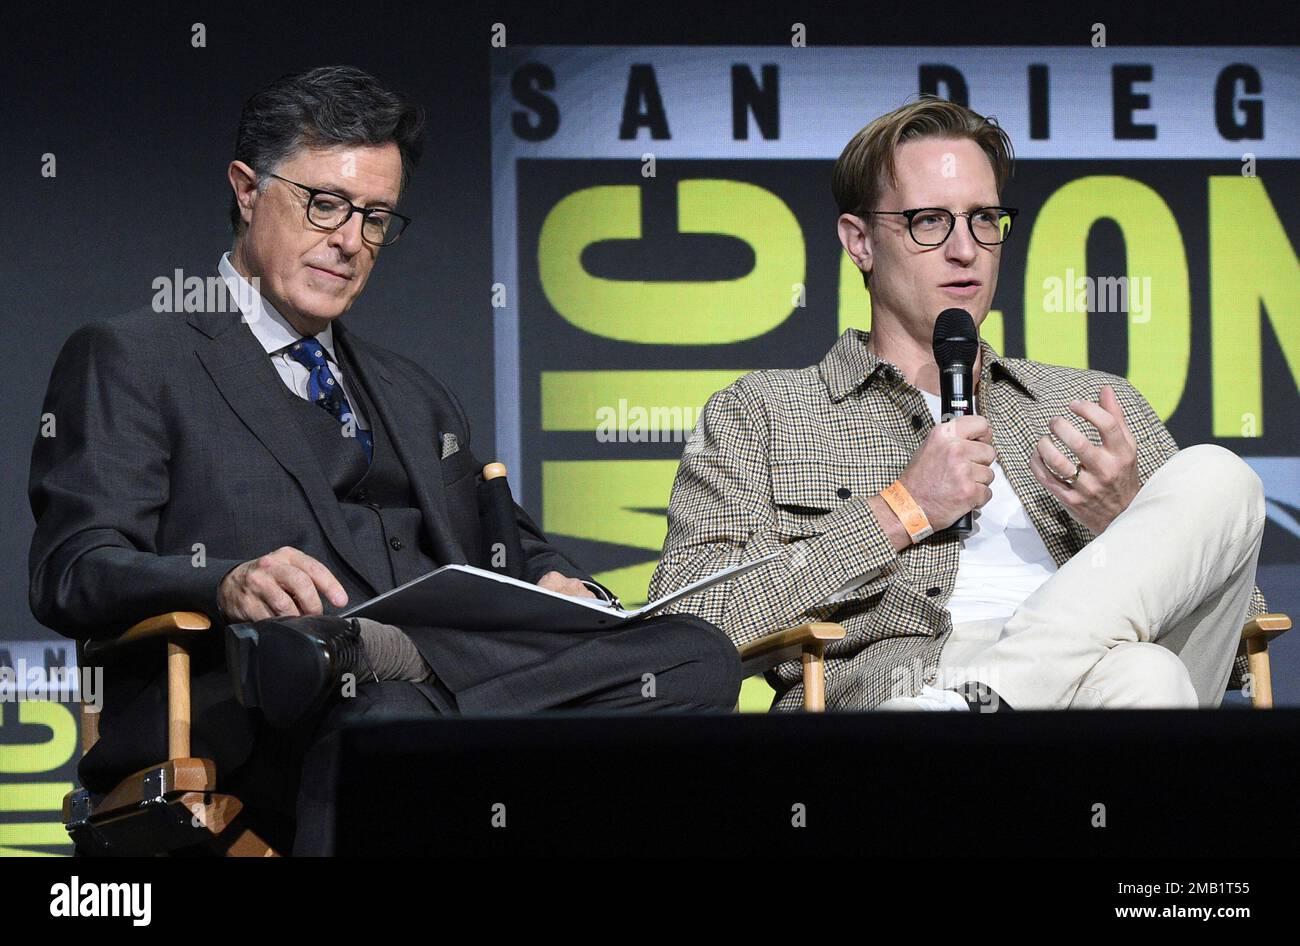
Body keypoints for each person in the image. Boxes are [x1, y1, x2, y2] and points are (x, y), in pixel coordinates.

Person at [28, 65, 739, 855]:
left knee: (697, 659)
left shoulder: (411, 391)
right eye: (325, 204)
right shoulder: (134, 355)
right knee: (382, 720)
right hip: (248, 710)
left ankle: (381, 659)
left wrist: (549, 580)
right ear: (246, 189)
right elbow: (74, 568)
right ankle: (364, 663)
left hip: (414, 691)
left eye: (375, 218)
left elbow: (505, 542)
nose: (349, 241)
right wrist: (223, 582)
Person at [648, 95, 1268, 714]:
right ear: (858, 241)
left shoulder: (1090, 405)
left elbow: (1241, 646)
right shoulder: (762, 414)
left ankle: (982, 701)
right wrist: (901, 510)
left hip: (1046, 682)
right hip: (903, 689)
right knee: (1147, 678)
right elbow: (683, 634)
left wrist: (1127, 517)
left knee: (1221, 475)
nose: (966, 249)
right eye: (928, 221)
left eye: (982, 219)